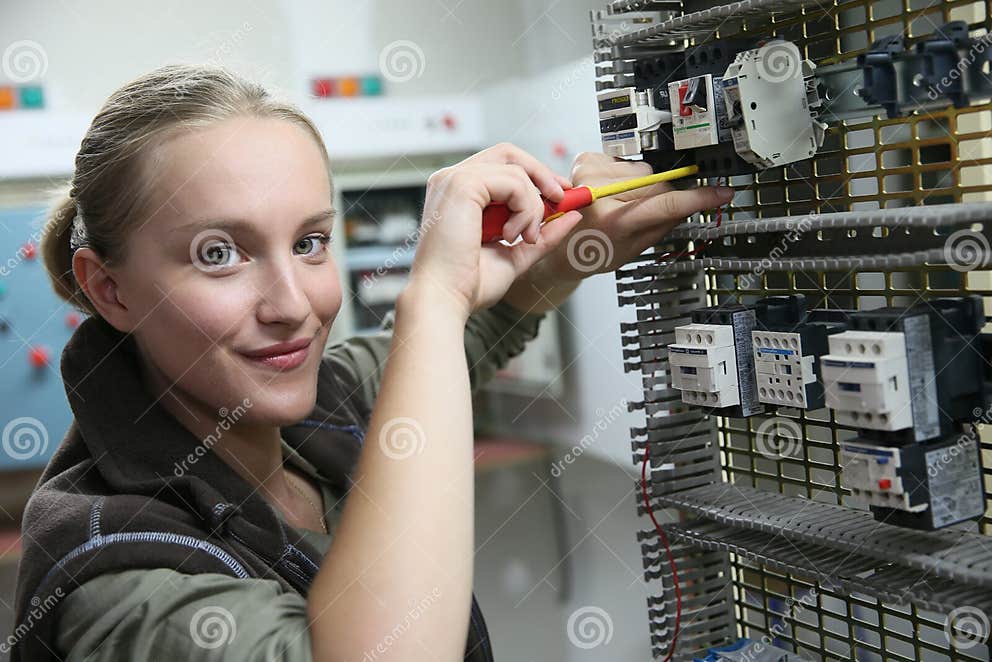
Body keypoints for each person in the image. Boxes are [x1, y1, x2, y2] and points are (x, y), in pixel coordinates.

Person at [10, 64, 733, 661]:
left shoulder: (322, 407)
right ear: (110, 289)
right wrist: (432, 298)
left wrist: (572, 245)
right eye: (219, 254)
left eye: (309, 243)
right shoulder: (116, 572)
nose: (292, 304)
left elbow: (477, 330)